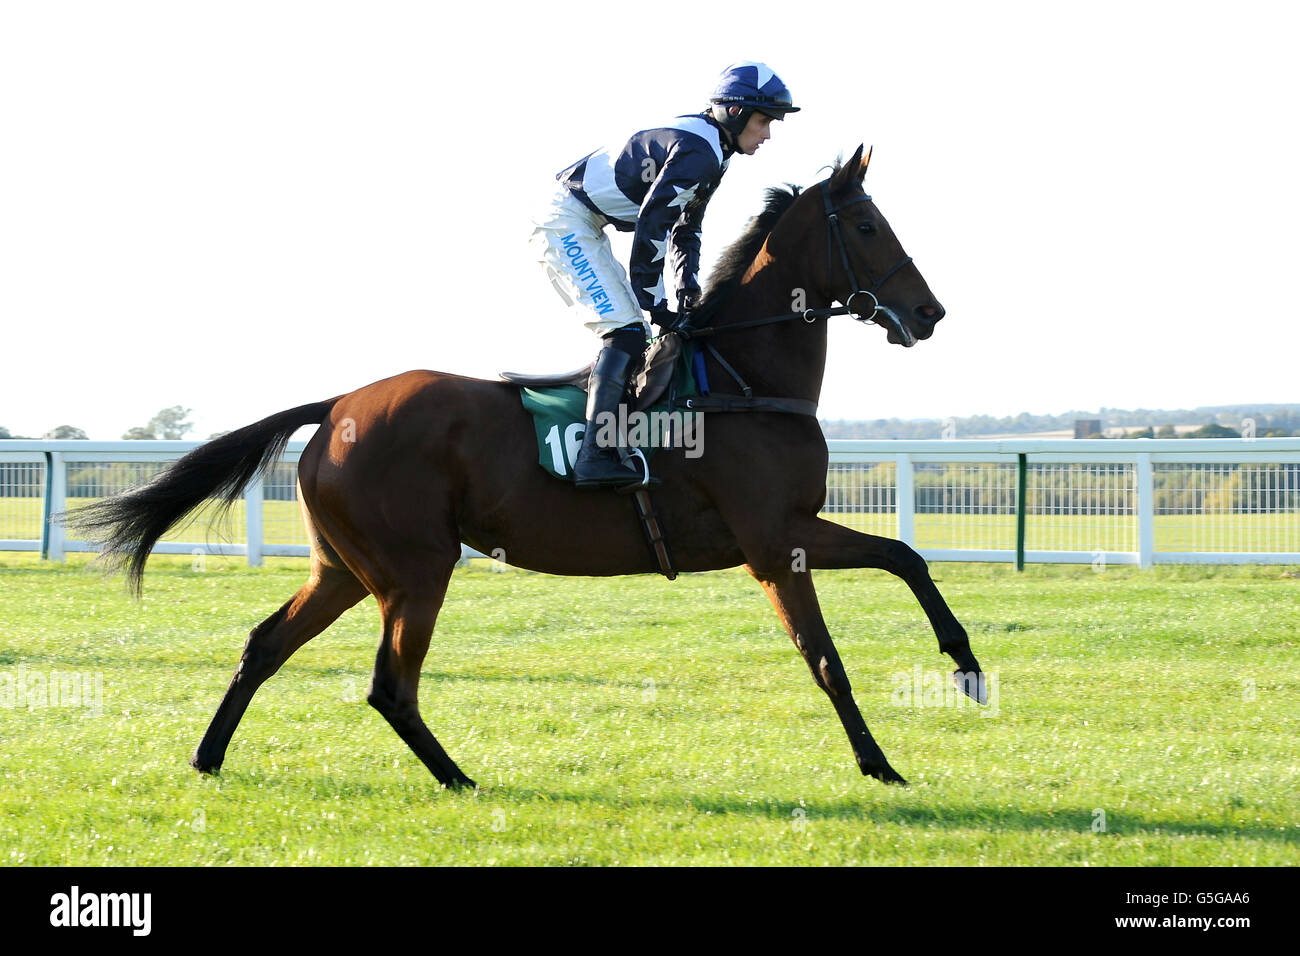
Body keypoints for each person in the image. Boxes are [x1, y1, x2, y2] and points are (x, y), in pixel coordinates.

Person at [530, 61, 799, 487]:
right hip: (566, 222)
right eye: (764, 121)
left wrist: (687, 291)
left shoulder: (714, 150)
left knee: (632, 329)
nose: (768, 134)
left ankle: (610, 442)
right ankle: (594, 457)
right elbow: (653, 226)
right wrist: (656, 304)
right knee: (627, 332)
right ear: (735, 112)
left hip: (584, 221)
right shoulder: (700, 152)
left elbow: (685, 227)